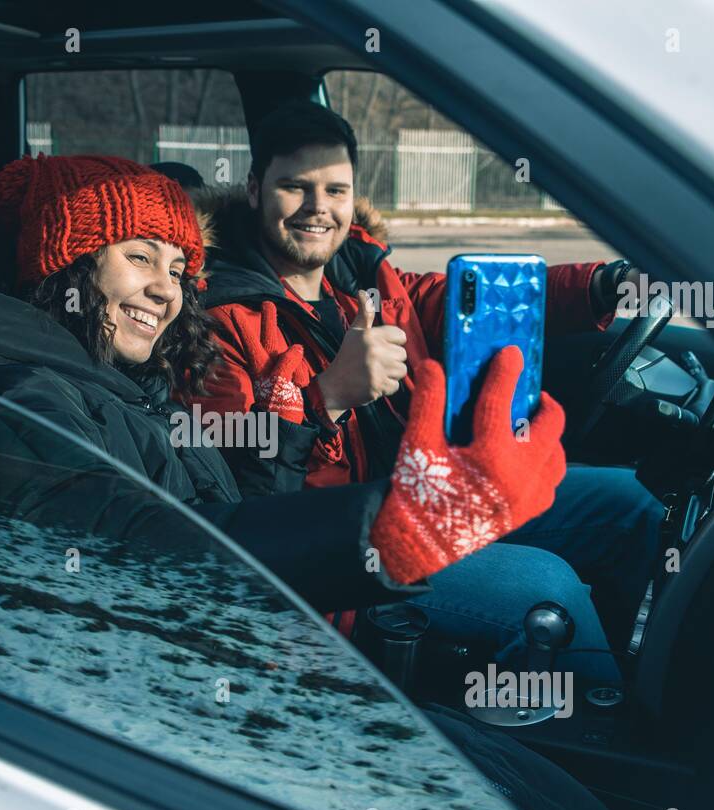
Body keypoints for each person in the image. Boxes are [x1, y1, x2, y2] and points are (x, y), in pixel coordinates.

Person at [0, 152, 632, 810]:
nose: (167, 291)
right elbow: (136, 555)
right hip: (151, 733)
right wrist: (397, 531)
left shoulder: (120, 377)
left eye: (178, 268)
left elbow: (216, 506)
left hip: (234, 674)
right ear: (65, 262)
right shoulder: (5, 396)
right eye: (139, 257)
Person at [187, 100, 663, 678]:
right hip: (353, 550)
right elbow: (244, 502)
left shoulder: (362, 275)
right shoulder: (217, 319)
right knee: (549, 589)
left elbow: (460, 300)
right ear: (256, 187)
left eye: (336, 191)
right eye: (296, 187)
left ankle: (638, 676)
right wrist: (327, 399)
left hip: (428, 484)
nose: (319, 209)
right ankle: (593, 738)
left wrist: (609, 285)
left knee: (629, 504)